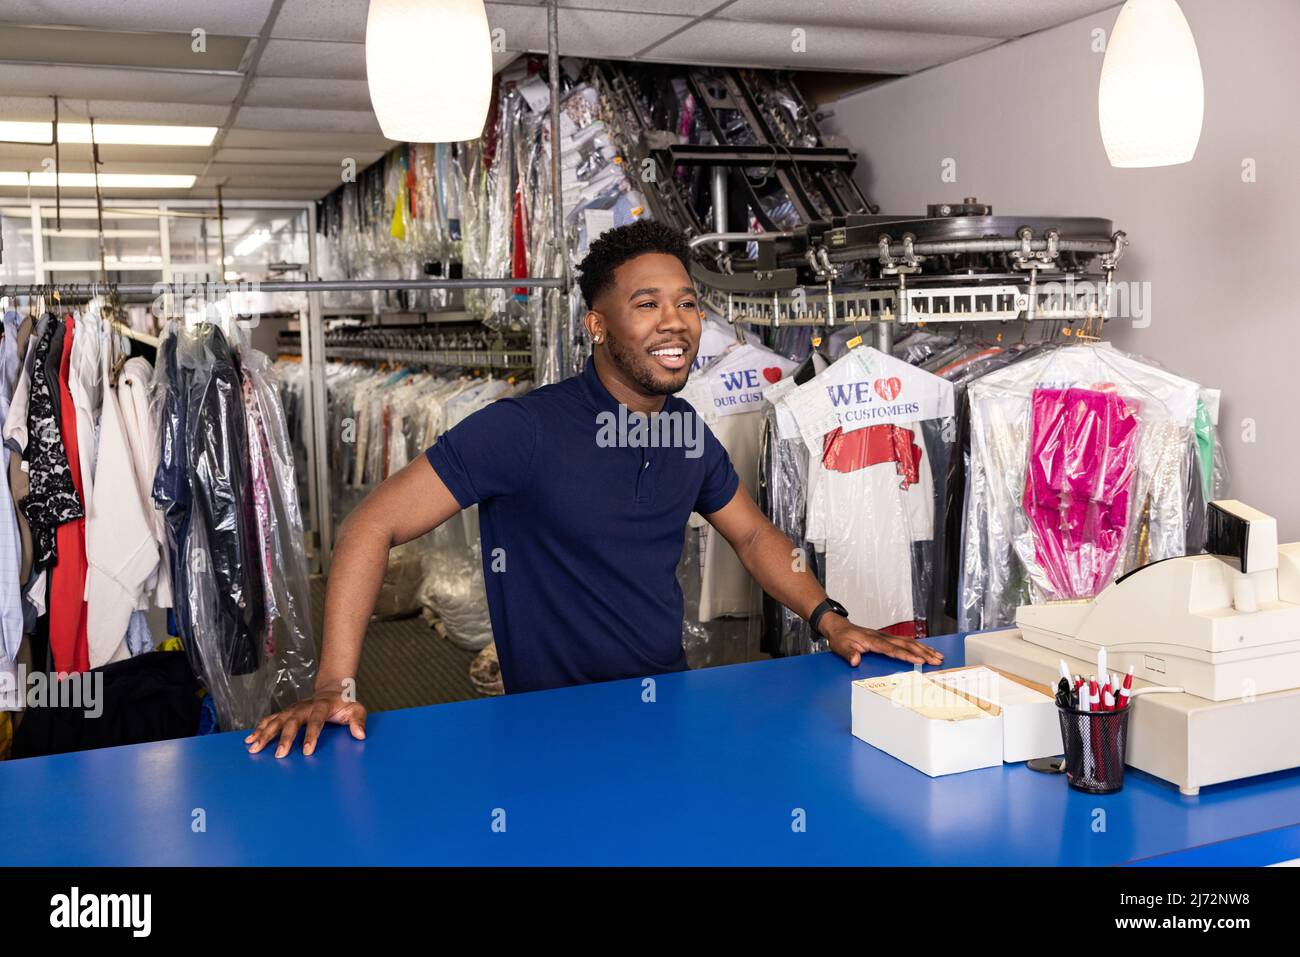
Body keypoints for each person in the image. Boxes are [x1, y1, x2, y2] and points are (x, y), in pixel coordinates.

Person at [246, 221, 943, 758]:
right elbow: (371, 524)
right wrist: (335, 685)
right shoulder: (524, 430)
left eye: (687, 302)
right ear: (598, 325)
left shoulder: (686, 432)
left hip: (664, 713)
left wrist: (831, 618)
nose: (676, 320)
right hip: (548, 729)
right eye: (647, 303)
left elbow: (755, 536)